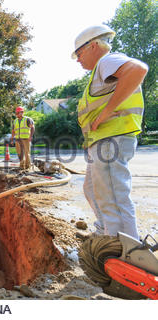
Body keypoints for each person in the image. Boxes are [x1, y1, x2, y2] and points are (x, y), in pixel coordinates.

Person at [72, 25, 148, 239]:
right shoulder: (101, 69)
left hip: (112, 138)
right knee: (92, 189)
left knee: (113, 194)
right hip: (102, 141)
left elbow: (138, 69)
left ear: (94, 46)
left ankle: (126, 247)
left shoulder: (107, 61)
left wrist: (106, 113)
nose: (78, 59)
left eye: (79, 53)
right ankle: (104, 233)